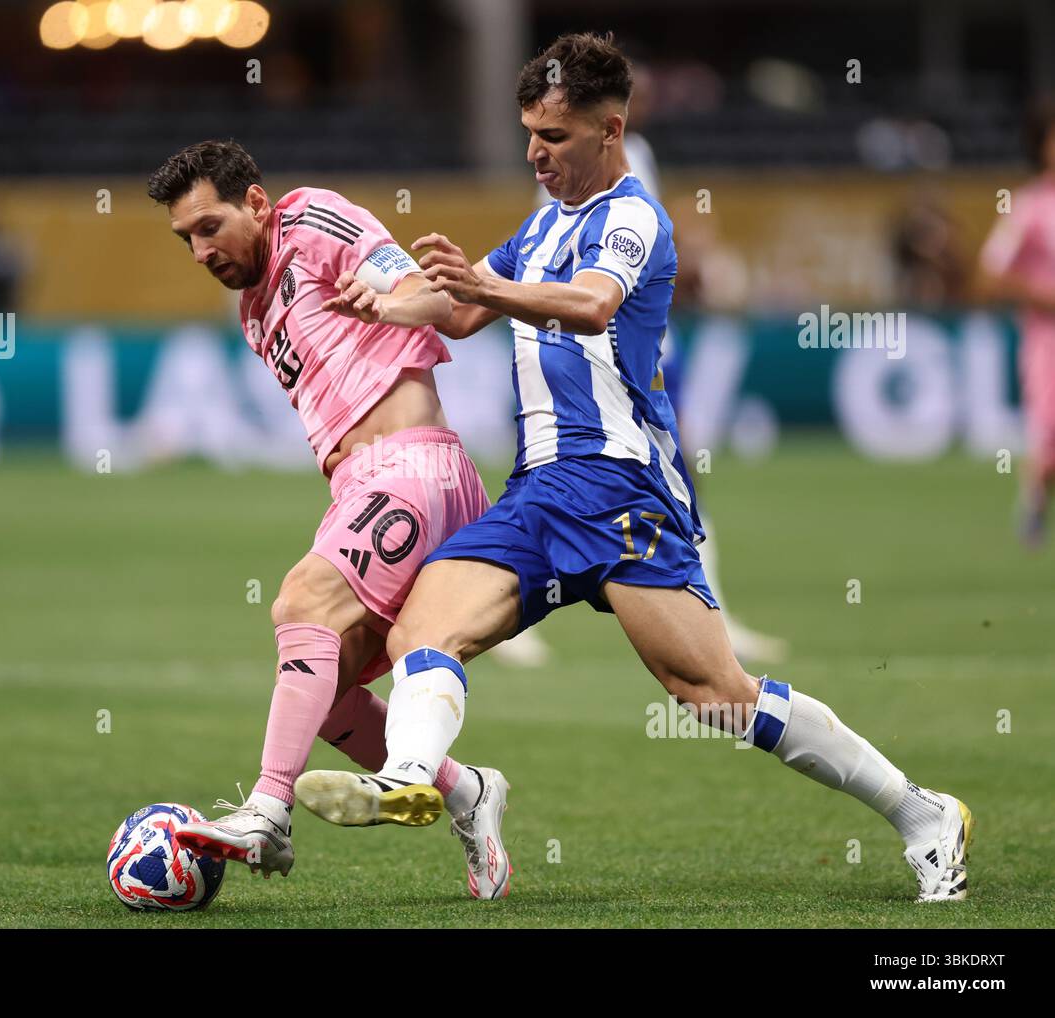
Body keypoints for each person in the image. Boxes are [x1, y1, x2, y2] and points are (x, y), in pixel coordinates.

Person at [302, 32, 973, 903]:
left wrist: (482, 289)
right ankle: (418, 782)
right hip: (539, 490)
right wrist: (382, 300)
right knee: (420, 631)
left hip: (621, 488)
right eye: (530, 135)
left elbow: (588, 306)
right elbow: (460, 312)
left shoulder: (633, 216)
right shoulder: (541, 225)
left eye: (555, 137)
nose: (536, 153)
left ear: (610, 131)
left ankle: (922, 813)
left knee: (714, 693)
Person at [145, 140, 512, 898]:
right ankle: (466, 790)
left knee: (302, 601)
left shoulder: (313, 220)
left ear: (255, 202)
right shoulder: (253, 308)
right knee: (321, 688)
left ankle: (266, 813)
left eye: (210, 227)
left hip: (416, 465)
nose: (199, 250)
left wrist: (388, 301)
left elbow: (434, 299)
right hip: (361, 488)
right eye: (186, 238)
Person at [979, 101, 1055, 547]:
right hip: (1047, 339)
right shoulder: (1030, 205)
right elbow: (992, 273)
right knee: (1049, 431)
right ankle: (1033, 497)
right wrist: (1042, 295)